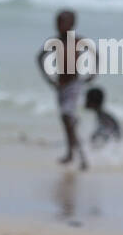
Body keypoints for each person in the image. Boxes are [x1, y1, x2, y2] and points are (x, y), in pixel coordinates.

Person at [36, 9, 96, 169]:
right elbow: (39, 57)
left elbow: (95, 54)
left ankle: (83, 157)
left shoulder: (77, 41)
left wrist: (92, 73)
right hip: (60, 86)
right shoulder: (55, 42)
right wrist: (49, 79)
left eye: (62, 22)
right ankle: (71, 153)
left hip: (74, 85)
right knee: (65, 120)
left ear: (72, 24)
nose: (58, 26)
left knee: (68, 118)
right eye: (57, 22)